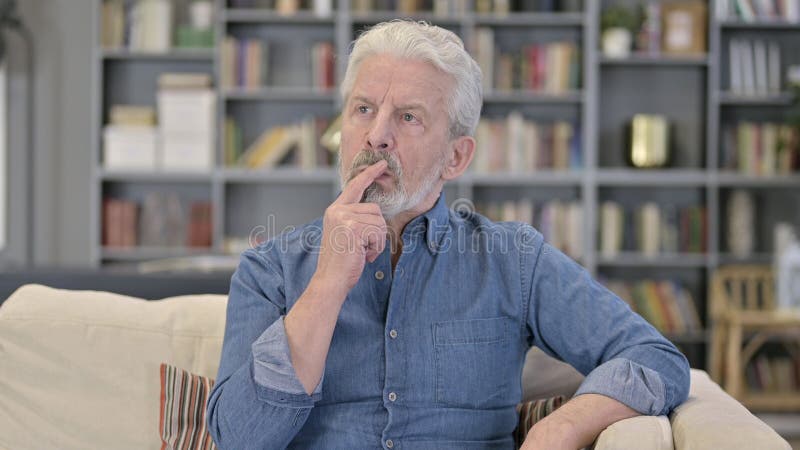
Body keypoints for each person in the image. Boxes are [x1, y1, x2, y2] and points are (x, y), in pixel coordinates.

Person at [207, 20, 690, 450]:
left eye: (408, 116)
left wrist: (561, 429)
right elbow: (239, 437)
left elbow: (656, 358)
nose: (377, 135)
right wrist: (327, 286)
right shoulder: (269, 269)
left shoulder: (513, 260)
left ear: (456, 157)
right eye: (363, 109)